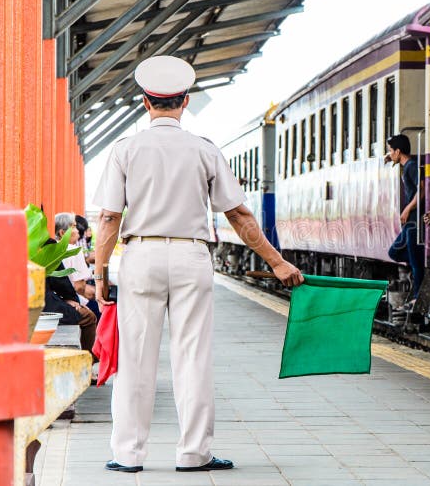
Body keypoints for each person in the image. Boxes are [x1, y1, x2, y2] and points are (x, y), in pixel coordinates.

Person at [93, 55, 304, 474]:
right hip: (191, 256)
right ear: (185, 102)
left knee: (136, 357)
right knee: (192, 356)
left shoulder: (125, 150)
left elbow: (108, 219)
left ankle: (128, 455)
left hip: (141, 255)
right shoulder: (204, 150)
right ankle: (194, 454)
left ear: (144, 103)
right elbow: (239, 216)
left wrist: (100, 274)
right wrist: (277, 263)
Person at [384, 134, 424, 308]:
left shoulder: (411, 167)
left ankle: (417, 295)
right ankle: (419, 262)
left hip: (414, 222)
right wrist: (388, 158)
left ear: (398, 151)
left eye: (390, 151)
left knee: (415, 262)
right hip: (410, 223)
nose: (389, 154)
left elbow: (422, 190)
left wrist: (407, 209)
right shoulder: (406, 165)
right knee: (394, 252)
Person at [55, 212, 98, 318]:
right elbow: (80, 288)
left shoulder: (50, 249)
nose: (78, 230)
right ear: (62, 232)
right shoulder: (74, 251)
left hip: (55, 301)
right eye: (73, 226)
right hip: (73, 300)